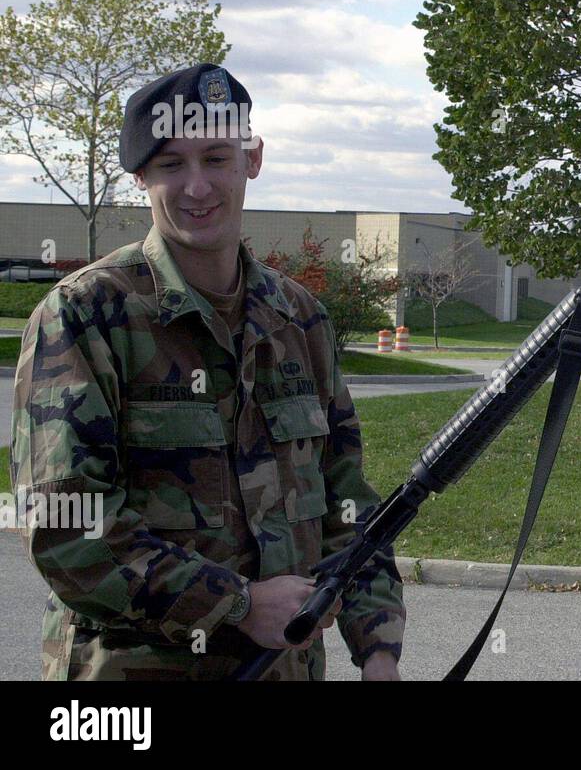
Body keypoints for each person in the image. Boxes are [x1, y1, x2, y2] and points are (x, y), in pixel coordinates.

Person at [10, 63, 405, 680]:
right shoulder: (88, 315)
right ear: (141, 176)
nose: (197, 187)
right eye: (172, 165)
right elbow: (64, 529)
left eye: (217, 157)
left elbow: (346, 503)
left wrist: (378, 647)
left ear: (253, 158)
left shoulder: (299, 319)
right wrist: (238, 606)